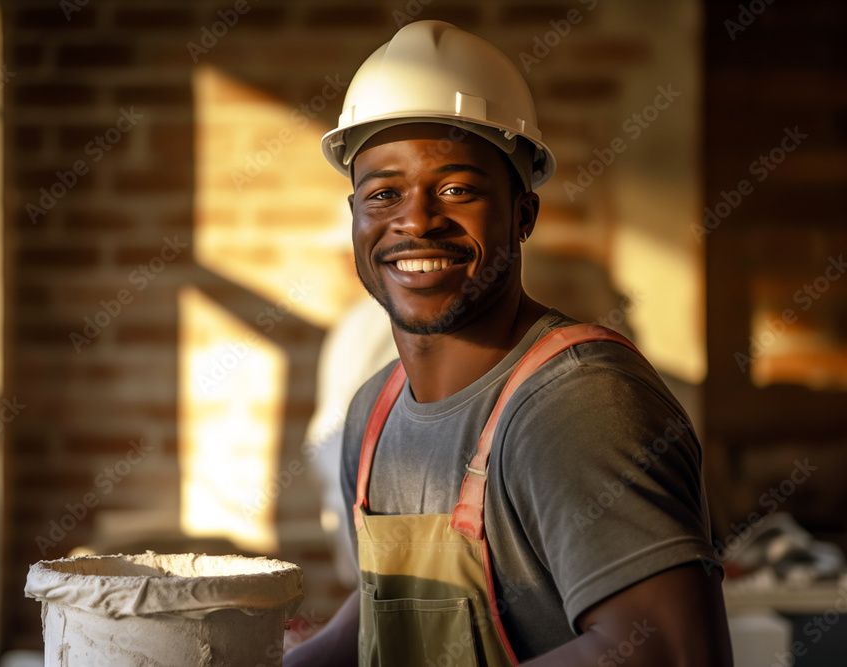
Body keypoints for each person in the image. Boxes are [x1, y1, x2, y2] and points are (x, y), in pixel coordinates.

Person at [285, 20, 732, 666]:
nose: (415, 219)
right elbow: (386, 607)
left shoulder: (577, 405)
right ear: (355, 216)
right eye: (384, 193)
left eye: (457, 189)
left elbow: (666, 649)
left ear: (524, 213)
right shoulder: (373, 415)